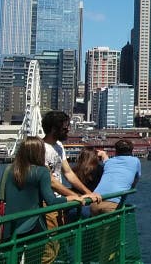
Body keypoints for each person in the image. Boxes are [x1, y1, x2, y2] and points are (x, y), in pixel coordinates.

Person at [40, 111, 100, 262]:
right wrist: (75, 196)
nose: (68, 130)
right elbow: (51, 181)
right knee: (50, 246)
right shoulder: (40, 148)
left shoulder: (59, 146)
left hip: (59, 202)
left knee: (58, 244)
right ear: (53, 129)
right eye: (65, 128)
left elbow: (68, 173)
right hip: (47, 202)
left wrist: (88, 193)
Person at [2, 137, 82, 242]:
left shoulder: (10, 170)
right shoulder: (41, 171)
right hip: (32, 225)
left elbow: (0, 195)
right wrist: (72, 198)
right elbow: (51, 201)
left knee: (11, 252)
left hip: (11, 225)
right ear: (40, 152)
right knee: (39, 251)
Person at [90, 140, 141, 215]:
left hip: (94, 201)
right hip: (113, 203)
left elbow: (105, 160)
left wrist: (103, 154)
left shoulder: (110, 162)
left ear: (116, 151)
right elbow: (136, 179)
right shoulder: (135, 161)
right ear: (131, 150)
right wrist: (131, 188)